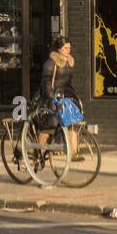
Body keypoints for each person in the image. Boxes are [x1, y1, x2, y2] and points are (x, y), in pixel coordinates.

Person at [37, 36, 80, 175]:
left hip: (64, 97)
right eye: (66, 48)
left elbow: (68, 84)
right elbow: (46, 84)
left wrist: (74, 97)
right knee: (48, 128)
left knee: (74, 122)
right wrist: (52, 98)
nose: (69, 50)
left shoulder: (69, 63)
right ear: (59, 49)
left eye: (69, 48)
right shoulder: (51, 63)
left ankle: (73, 152)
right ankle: (39, 153)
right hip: (50, 98)